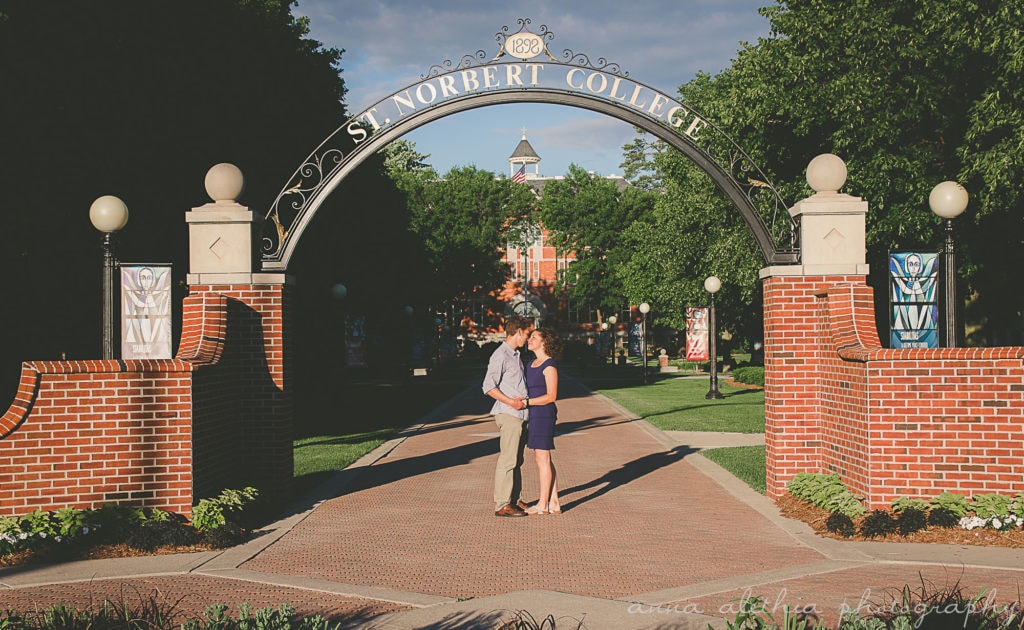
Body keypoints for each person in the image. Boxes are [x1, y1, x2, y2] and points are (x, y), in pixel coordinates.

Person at [482, 315, 534, 517]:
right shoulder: (501, 355)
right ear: (518, 331)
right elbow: (488, 386)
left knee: (517, 460)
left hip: (520, 415)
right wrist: (510, 401)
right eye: (527, 334)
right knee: (508, 460)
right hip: (510, 414)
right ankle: (502, 504)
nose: (528, 338)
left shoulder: (515, 355)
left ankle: (514, 499)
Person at [523, 327, 564, 515]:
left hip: (544, 414)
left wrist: (527, 402)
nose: (529, 339)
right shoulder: (531, 363)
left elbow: (551, 395)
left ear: (544, 342)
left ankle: (543, 504)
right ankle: (554, 502)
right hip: (533, 413)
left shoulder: (549, 365)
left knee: (542, 458)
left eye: (534, 337)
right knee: (543, 458)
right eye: (530, 337)